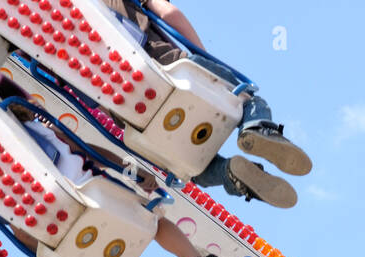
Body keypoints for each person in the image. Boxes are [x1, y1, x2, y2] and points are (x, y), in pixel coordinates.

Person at [0, 77, 246, 257]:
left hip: (63, 224)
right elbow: (93, 153)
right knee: (154, 222)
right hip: (98, 193)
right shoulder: (45, 130)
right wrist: (136, 175)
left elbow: (20, 230)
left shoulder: (2, 178)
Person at [101, 0, 311, 208]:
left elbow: (96, 104)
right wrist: (203, 56)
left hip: (132, 112)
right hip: (170, 67)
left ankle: (228, 174)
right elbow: (168, 14)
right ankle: (256, 128)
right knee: (245, 99)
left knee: (192, 165)